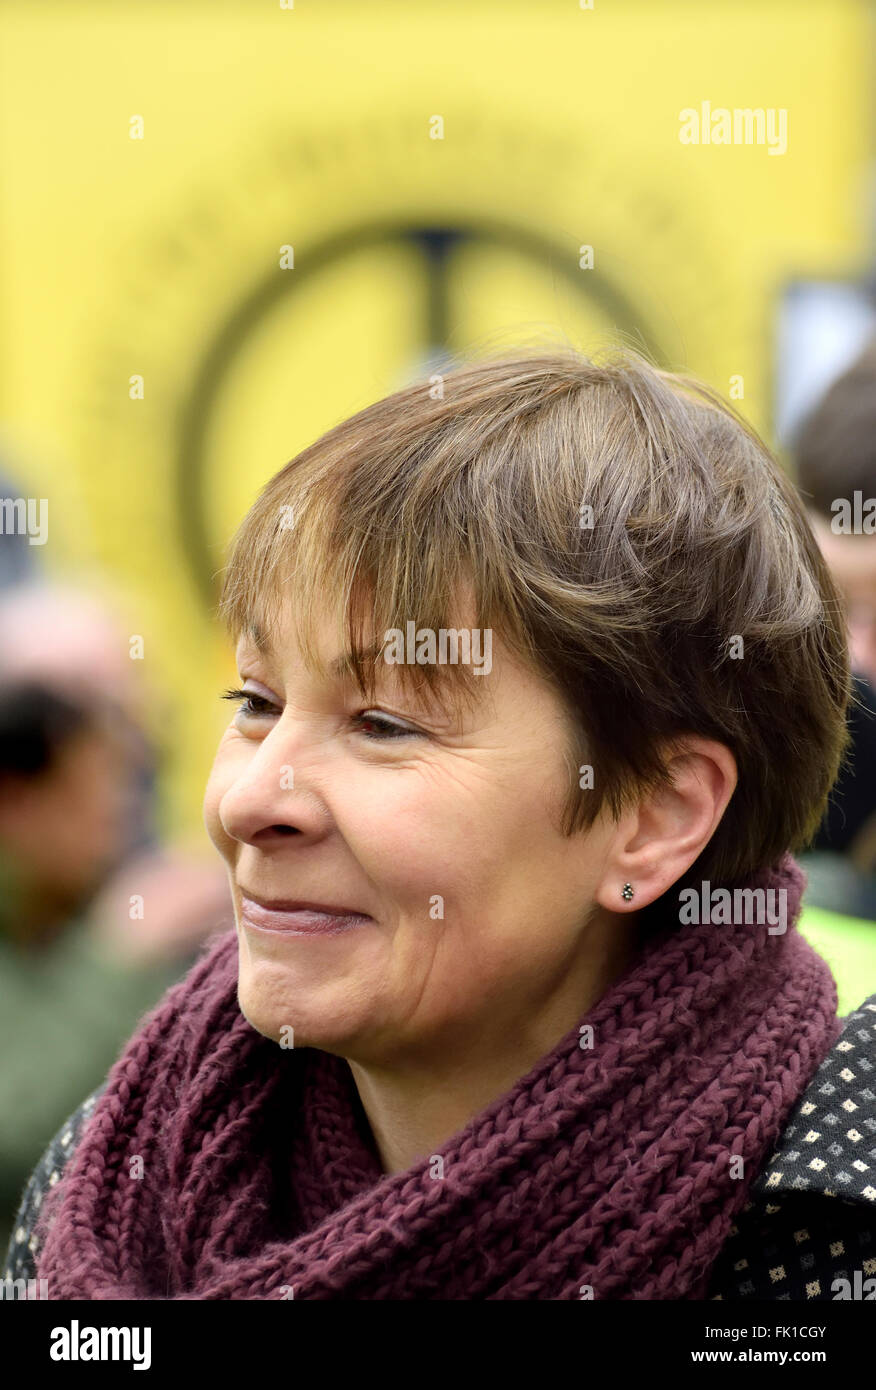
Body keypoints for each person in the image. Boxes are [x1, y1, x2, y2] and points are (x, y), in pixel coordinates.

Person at [4, 346, 876, 1300]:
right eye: (254, 701)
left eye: (382, 724)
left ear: (656, 818)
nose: (249, 802)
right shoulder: (108, 1190)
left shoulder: (826, 1229)